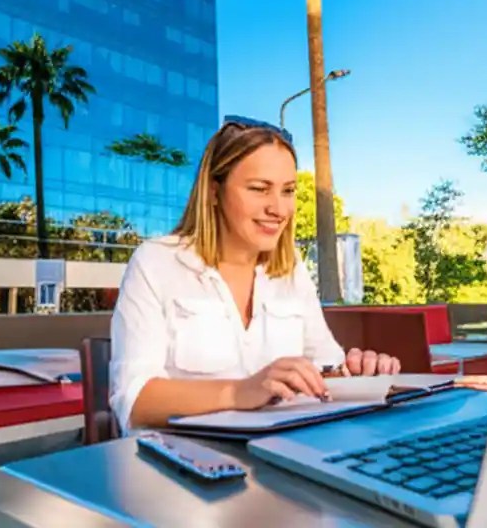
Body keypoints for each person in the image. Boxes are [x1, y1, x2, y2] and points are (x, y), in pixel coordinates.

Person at [109, 116, 401, 433]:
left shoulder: (292, 271)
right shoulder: (157, 262)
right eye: (260, 189)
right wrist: (241, 390)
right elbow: (134, 401)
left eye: (287, 191)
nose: (278, 208)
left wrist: (357, 374)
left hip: (284, 455)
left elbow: (325, 368)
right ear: (214, 191)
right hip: (182, 465)